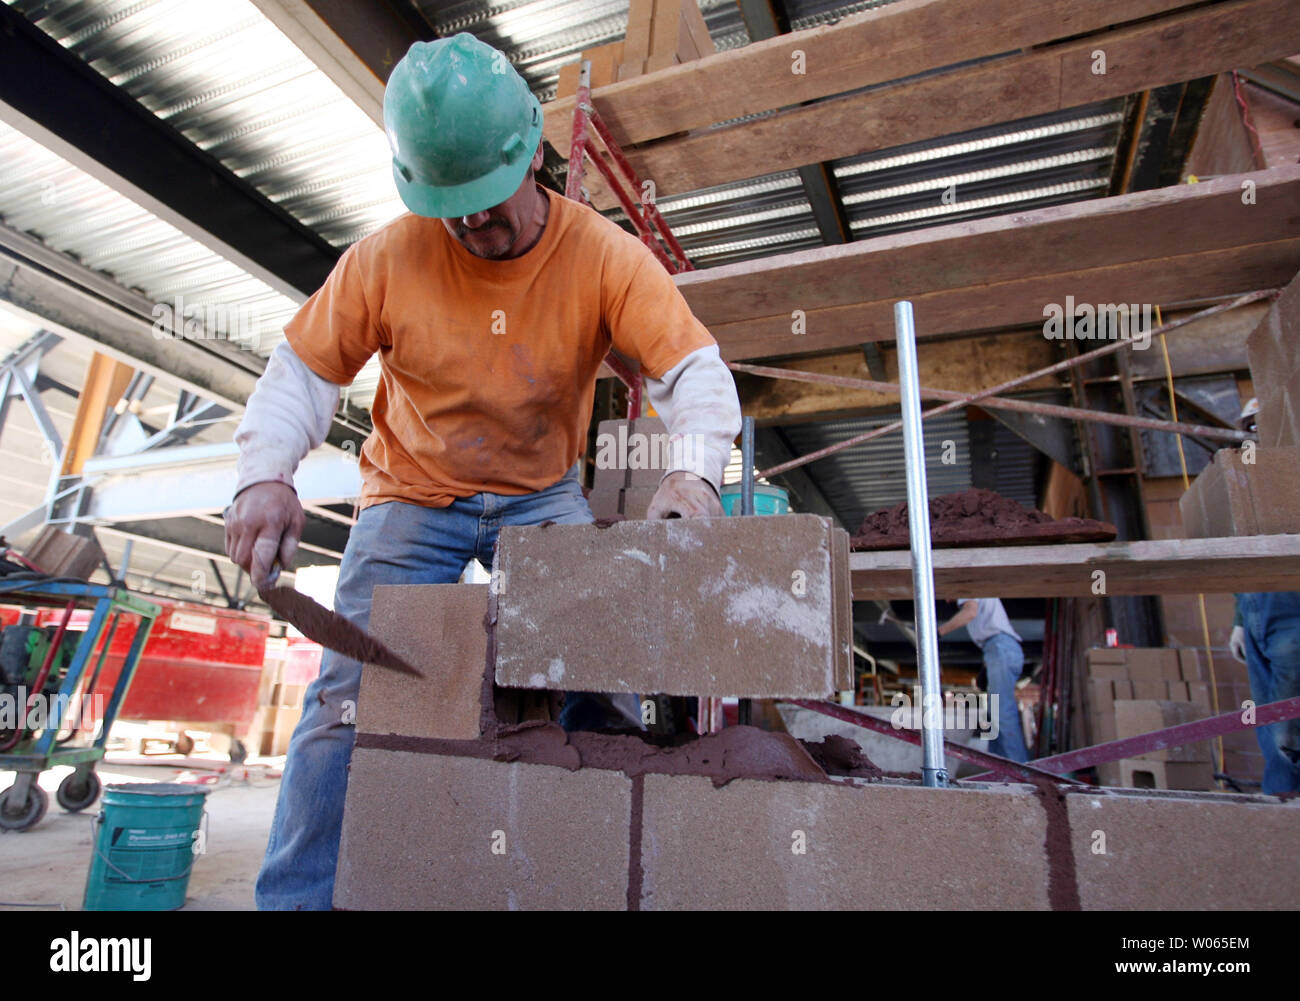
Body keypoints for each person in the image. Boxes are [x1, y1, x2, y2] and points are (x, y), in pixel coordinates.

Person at [223, 33, 741, 910]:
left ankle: (582, 878)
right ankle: (298, 901)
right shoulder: (389, 256)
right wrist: (265, 473)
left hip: (541, 496)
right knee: (348, 701)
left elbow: (692, 372)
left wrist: (693, 476)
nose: (469, 223)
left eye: (488, 203)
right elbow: (304, 370)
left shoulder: (603, 257)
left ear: (530, 157)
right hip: (409, 496)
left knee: (600, 676)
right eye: (450, 205)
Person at [938, 598, 1029, 762]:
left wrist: (938, 632)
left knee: (1001, 712)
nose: (946, 600)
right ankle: (1000, 767)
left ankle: (1021, 771)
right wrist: (986, 668)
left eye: (945, 594)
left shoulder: (967, 585)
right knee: (994, 714)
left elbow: (970, 612)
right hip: (998, 648)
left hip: (1000, 647)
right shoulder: (980, 590)